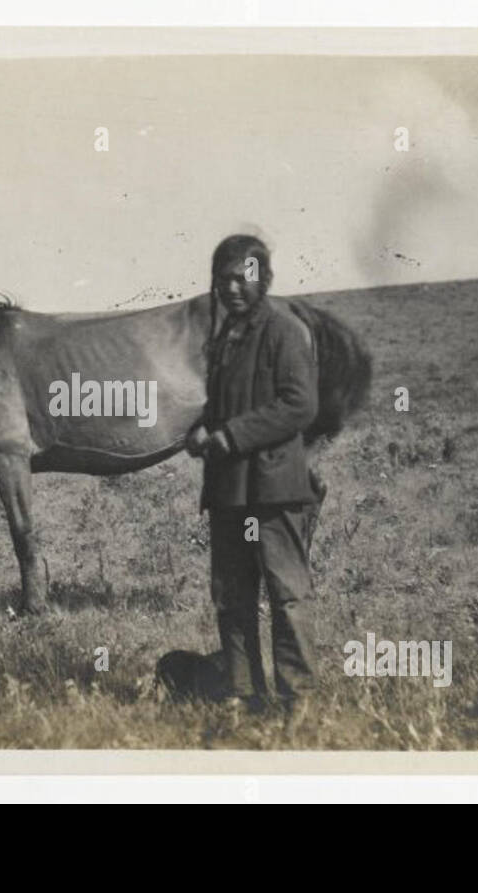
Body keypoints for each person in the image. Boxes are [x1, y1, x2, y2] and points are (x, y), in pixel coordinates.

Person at [187, 234, 321, 714]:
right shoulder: (225, 340)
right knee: (232, 599)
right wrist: (201, 430)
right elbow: (224, 406)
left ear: (262, 279)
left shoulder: (283, 331)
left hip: (272, 490)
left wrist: (231, 436)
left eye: (241, 278)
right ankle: (244, 696)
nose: (231, 288)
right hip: (229, 493)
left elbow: (299, 405)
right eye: (222, 279)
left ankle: (297, 702)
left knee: (288, 597)